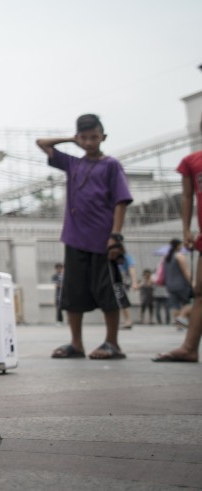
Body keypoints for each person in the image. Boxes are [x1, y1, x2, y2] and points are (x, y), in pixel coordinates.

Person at [37, 114, 132, 360]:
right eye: (85, 138)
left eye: (94, 137)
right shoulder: (72, 163)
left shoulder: (111, 165)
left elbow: (120, 201)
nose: (90, 142)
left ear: (103, 137)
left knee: (108, 291)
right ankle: (76, 344)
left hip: (103, 240)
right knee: (72, 293)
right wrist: (71, 138)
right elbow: (42, 143)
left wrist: (116, 235)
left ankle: (112, 343)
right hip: (75, 239)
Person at [154, 124, 202, 362]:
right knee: (199, 293)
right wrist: (186, 229)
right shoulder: (191, 162)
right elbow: (187, 195)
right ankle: (190, 347)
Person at [159, 240, 192, 329]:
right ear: (178, 246)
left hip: (170, 285)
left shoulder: (166, 258)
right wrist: (192, 282)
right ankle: (182, 318)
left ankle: (179, 324)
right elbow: (185, 271)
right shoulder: (180, 256)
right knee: (189, 303)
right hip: (181, 284)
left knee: (175, 305)